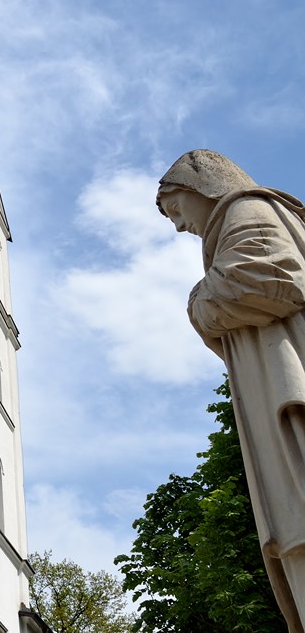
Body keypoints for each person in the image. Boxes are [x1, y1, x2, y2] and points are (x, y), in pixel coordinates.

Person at [157, 149, 305, 632]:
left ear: (203, 186)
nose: (179, 226)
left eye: (176, 209)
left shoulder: (248, 211)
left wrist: (197, 303)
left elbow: (267, 282)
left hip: (288, 388)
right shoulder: (234, 224)